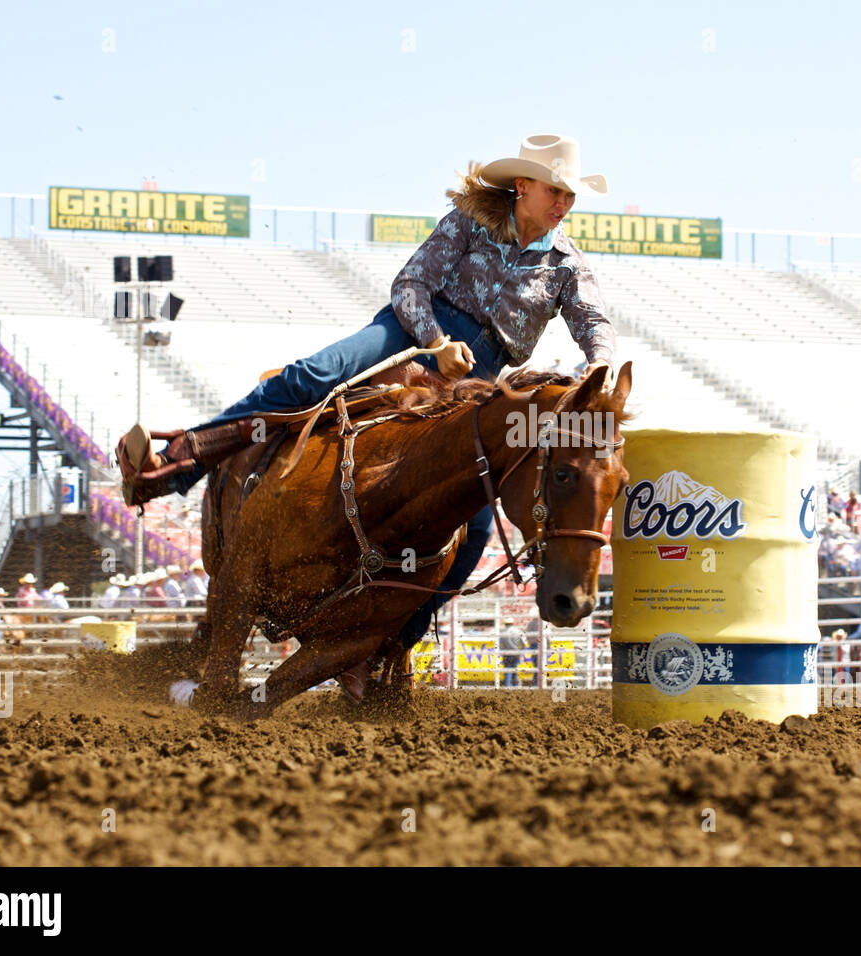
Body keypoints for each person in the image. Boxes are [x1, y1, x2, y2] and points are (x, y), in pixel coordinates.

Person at [115, 134, 616, 691]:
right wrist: (437, 340)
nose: (563, 204)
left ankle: (389, 645)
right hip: (409, 333)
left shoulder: (567, 263)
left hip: (485, 371)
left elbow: (594, 322)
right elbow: (411, 284)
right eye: (556, 191)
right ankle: (179, 463)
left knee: (472, 530)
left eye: (570, 195)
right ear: (523, 186)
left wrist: (601, 368)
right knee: (311, 377)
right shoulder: (467, 224)